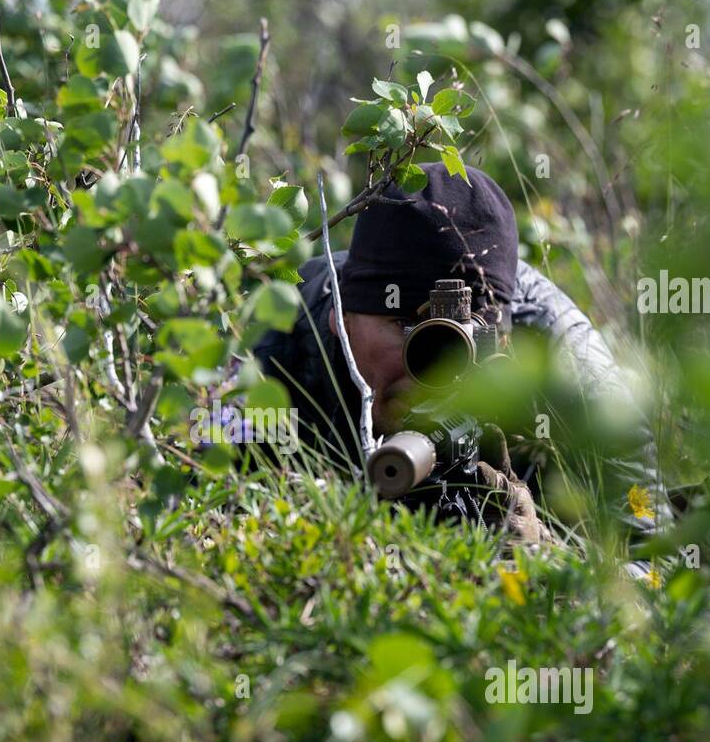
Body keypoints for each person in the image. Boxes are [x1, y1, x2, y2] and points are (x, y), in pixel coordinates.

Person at [252, 161, 670, 556]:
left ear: (503, 342)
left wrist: (545, 555)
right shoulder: (272, 342)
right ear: (339, 320)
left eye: (458, 341)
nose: (430, 373)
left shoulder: (569, 373)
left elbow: (654, 566)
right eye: (402, 326)